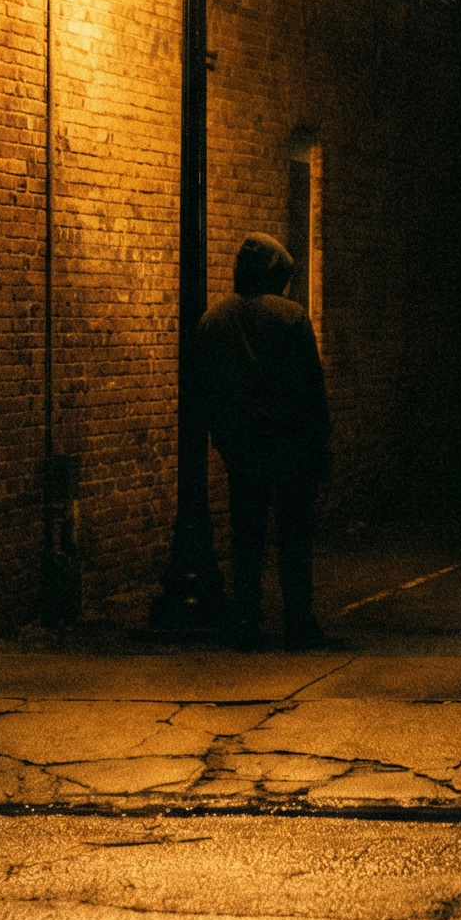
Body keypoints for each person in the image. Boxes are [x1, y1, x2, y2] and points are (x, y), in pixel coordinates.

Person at [196, 234, 332, 648]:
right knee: (294, 536)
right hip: (289, 445)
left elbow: (205, 389)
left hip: (242, 447)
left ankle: (247, 620)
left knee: (247, 537)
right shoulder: (290, 318)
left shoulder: (213, 320)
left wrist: (221, 435)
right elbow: (310, 388)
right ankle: (297, 621)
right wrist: (319, 441)